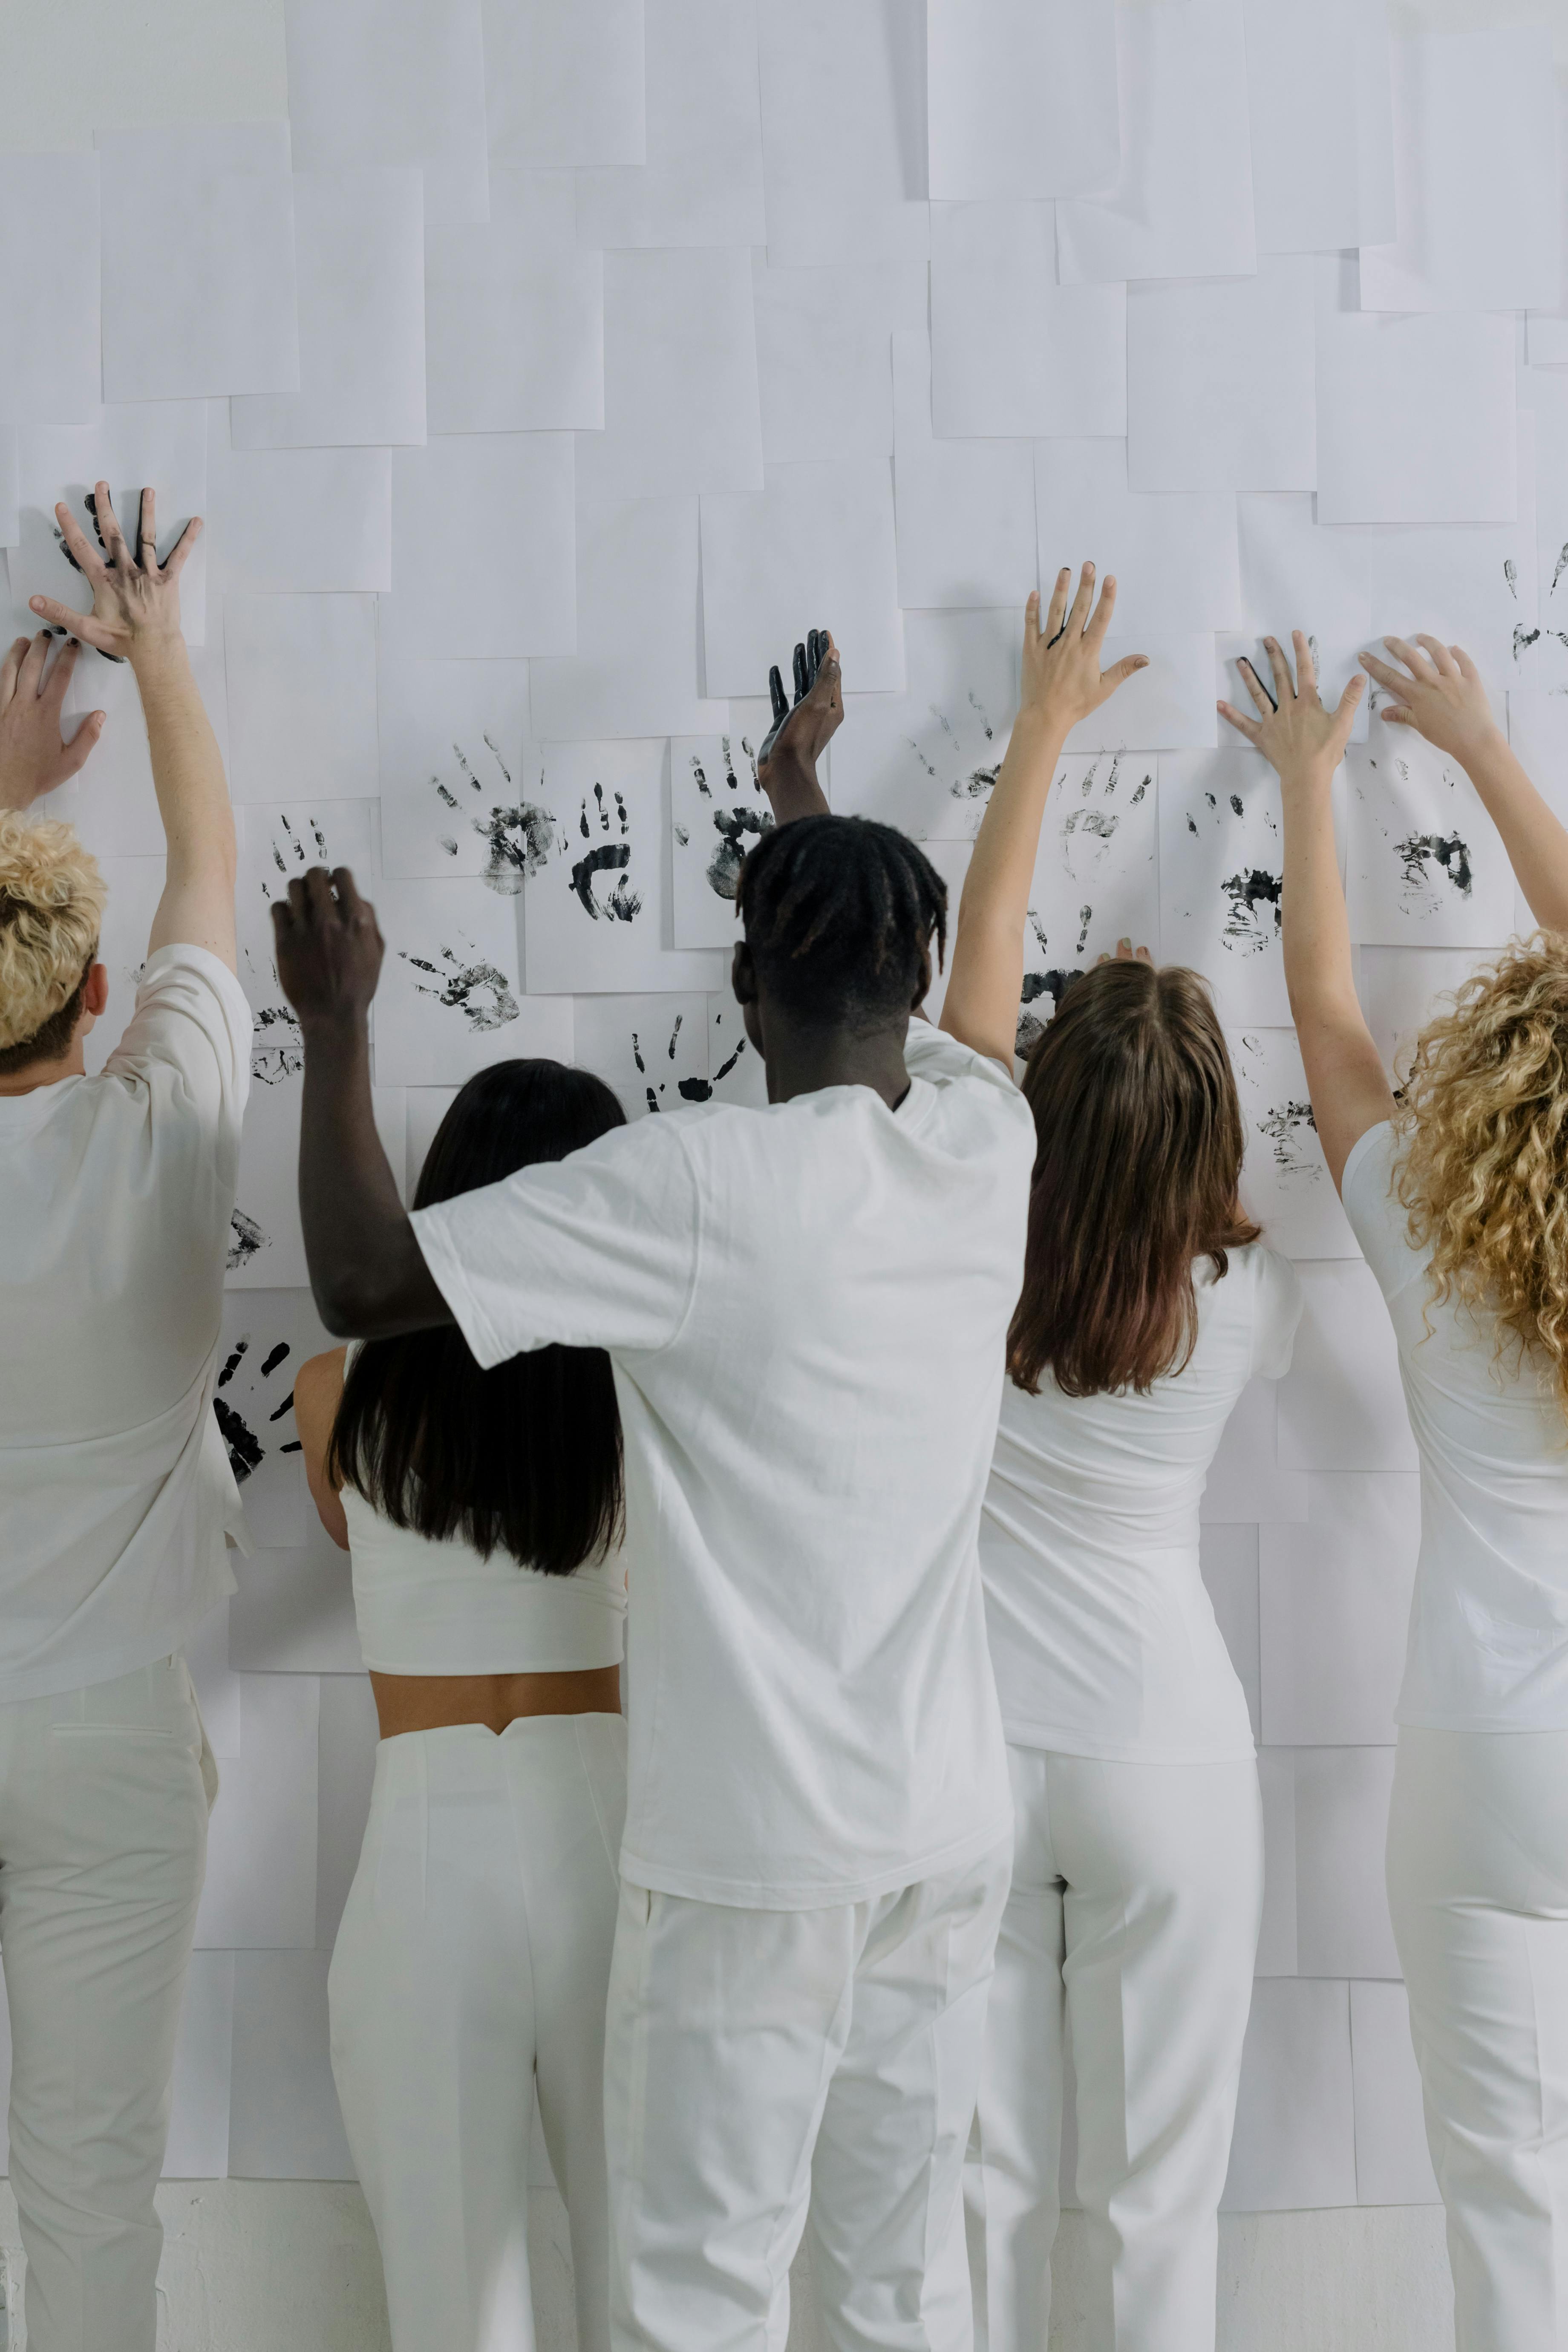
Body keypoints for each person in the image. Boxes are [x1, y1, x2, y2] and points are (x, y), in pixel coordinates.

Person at [269, 626, 1038, 2352]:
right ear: (909, 985)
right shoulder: (984, 1154)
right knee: (889, 2292)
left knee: (696, 2303)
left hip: (758, 1853)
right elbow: (888, 992)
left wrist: (334, 1029)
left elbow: (361, 1287)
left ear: (743, 993)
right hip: (941, 1825)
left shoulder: (690, 1186)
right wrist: (799, 805)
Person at [935, 567, 1300, 2352]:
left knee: (979, 2187)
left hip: (974, 1745)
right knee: (1153, 2204)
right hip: (1168, 1751)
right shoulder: (1242, 1308)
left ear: (1038, 1097)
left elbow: (973, 987)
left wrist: (1040, 726)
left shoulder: (955, 1232)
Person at [1222, 631, 1568, 2352]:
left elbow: (1325, 1015)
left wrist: (1306, 780)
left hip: (1482, 1760)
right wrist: (1484, 748)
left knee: (1500, 2191)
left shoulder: (1426, 1247)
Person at [0, 487, 243, 2352]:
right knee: (92, 2184)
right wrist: (155, 651)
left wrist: (7, 800)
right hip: (104, 1746)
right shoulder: (160, 1135)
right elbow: (207, 878)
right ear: (96, 995)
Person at [291, 1060, 630, 2352]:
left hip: (426, 1851)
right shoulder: (645, 1393)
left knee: (450, 2310)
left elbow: (346, 1524)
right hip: (606, 1831)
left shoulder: (340, 1392)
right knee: (651, 2289)